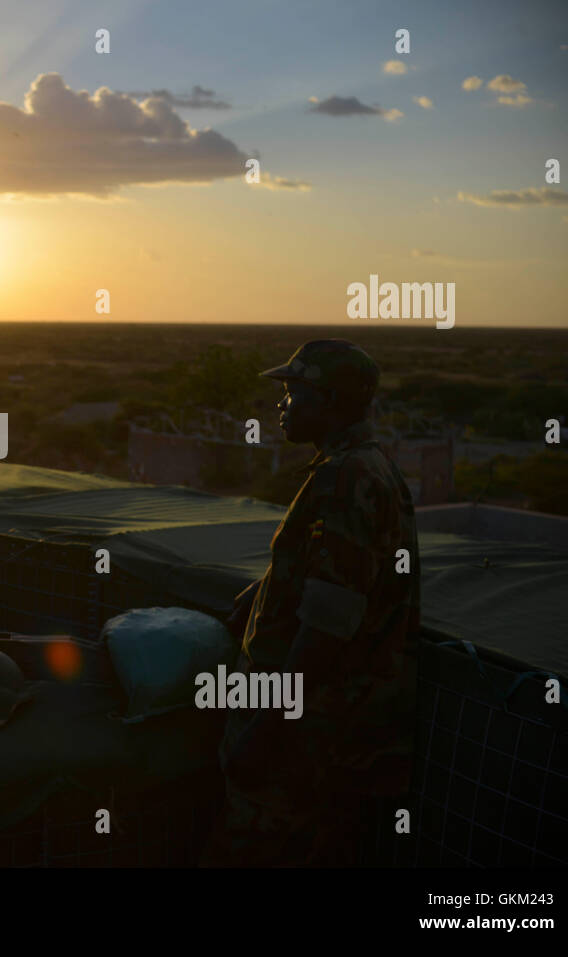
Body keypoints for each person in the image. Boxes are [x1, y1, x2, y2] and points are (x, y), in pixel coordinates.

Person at [202, 339, 420, 866]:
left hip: (308, 746)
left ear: (328, 399)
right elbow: (341, 575)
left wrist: (269, 730)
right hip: (332, 738)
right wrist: (264, 594)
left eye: (292, 392)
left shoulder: (345, 478)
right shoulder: (364, 466)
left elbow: (328, 624)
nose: (281, 405)